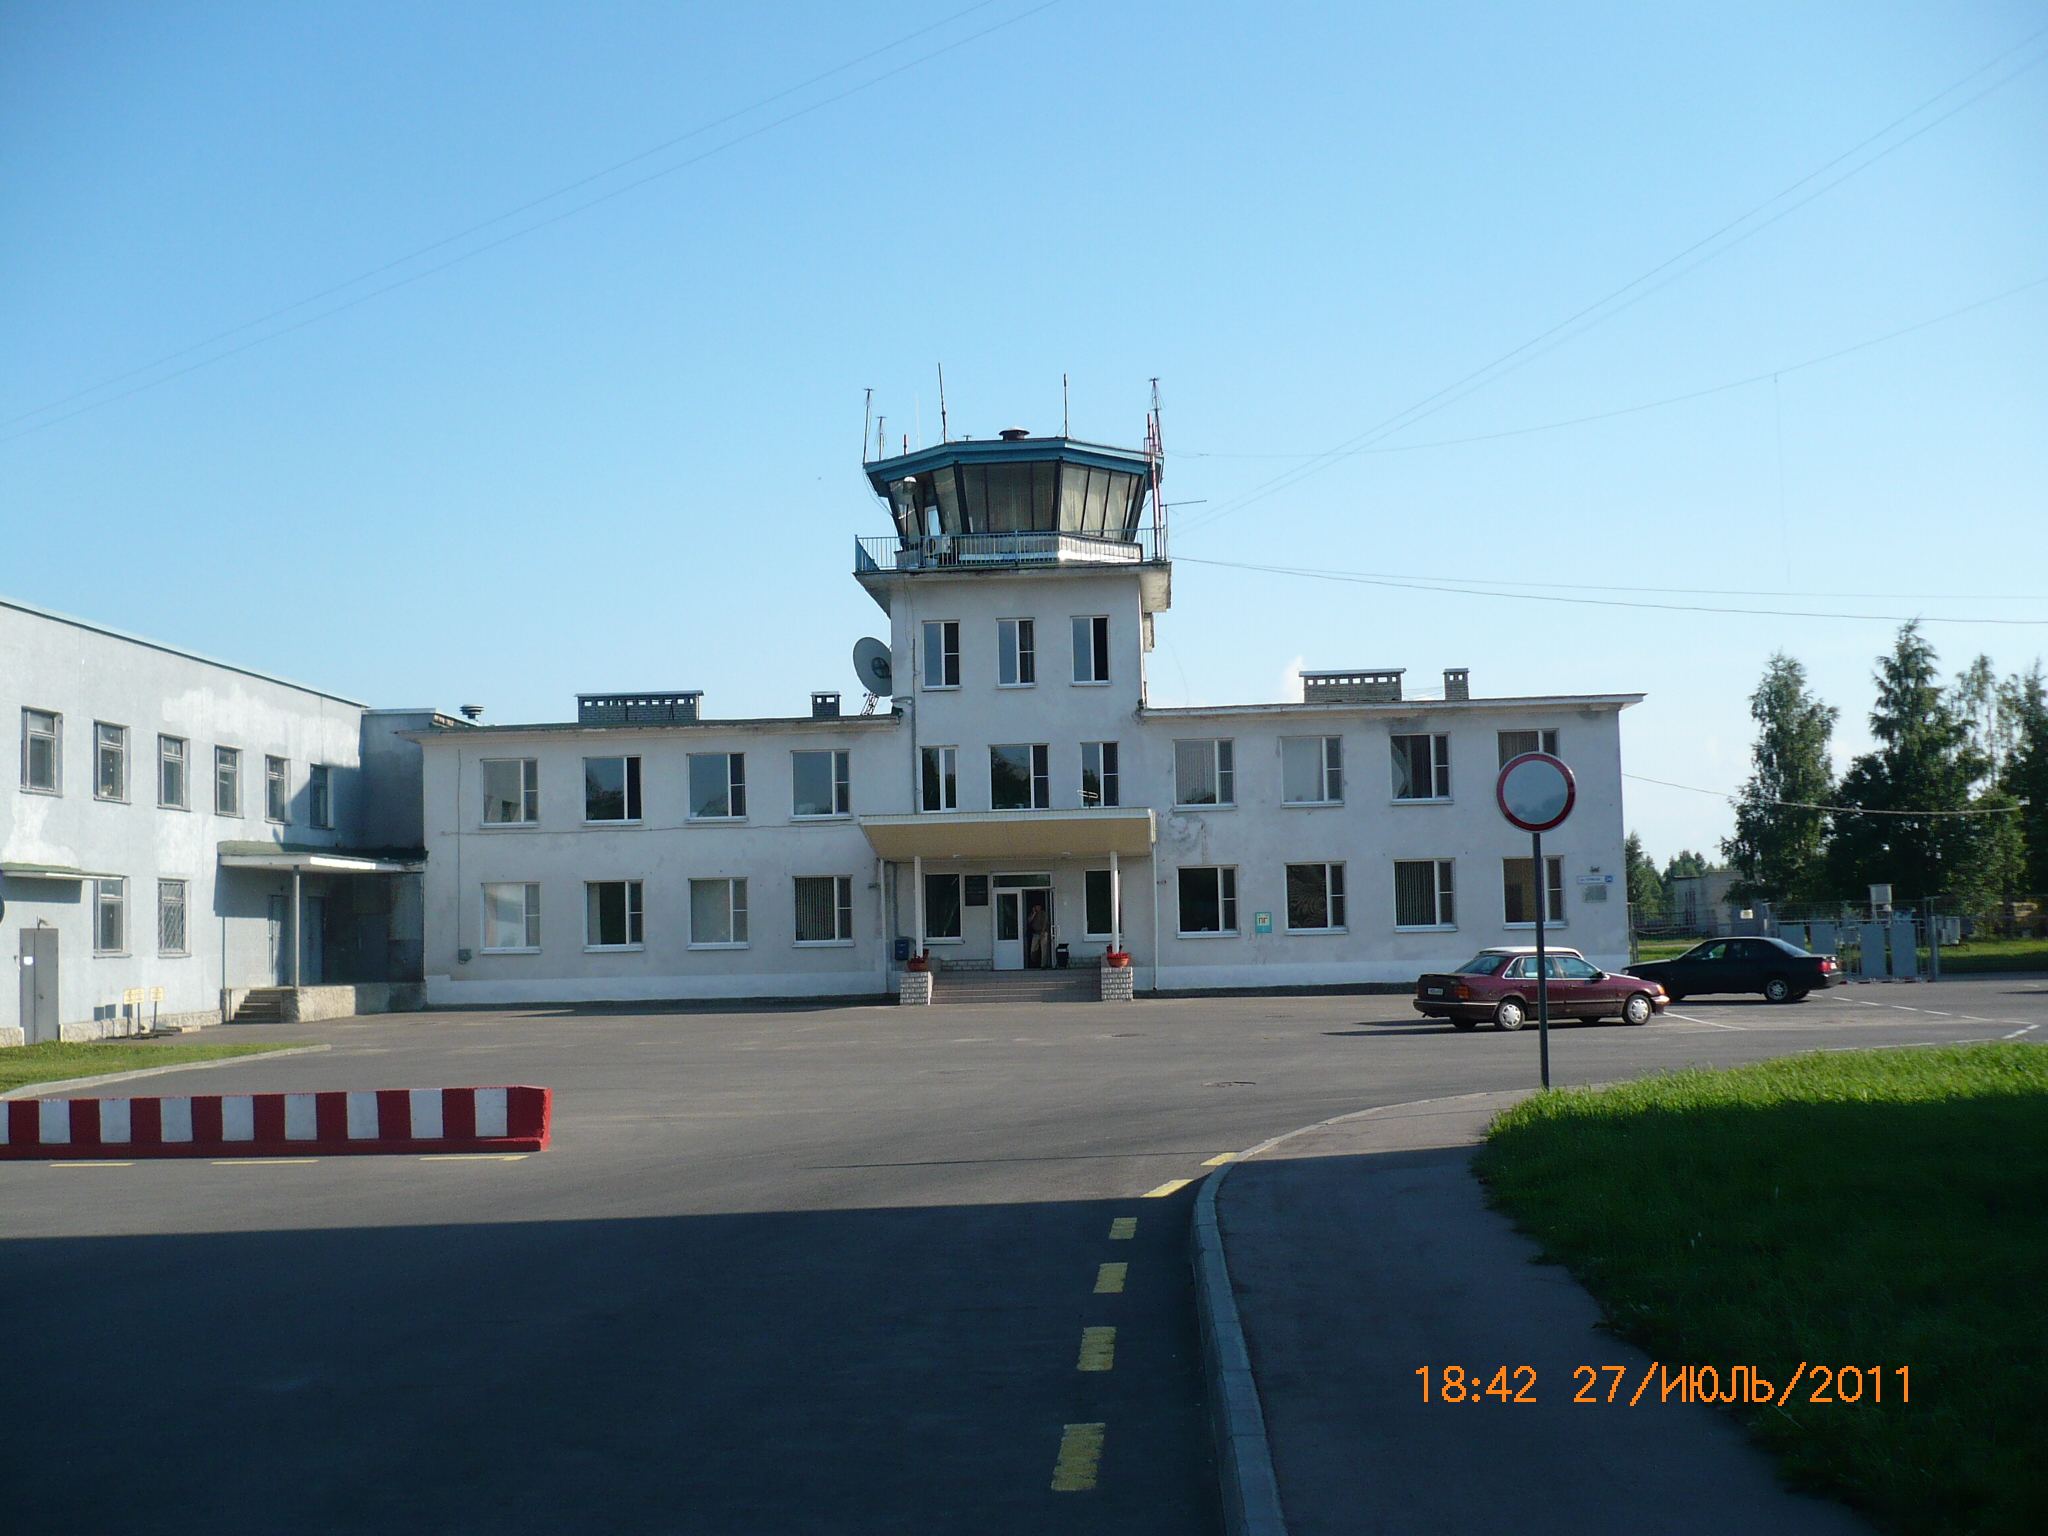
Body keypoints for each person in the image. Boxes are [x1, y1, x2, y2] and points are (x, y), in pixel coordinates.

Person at [1027, 901, 1051, 969]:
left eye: (1037, 907)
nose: (1036, 908)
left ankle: (1043, 964)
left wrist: (1043, 931)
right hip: (1035, 933)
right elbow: (1029, 921)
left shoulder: (1043, 913)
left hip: (1043, 932)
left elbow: (1045, 922)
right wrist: (1034, 913)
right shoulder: (1033, 914)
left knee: (1044, 949)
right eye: (1035, 907)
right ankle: (1034, 963)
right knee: (1033, 949)